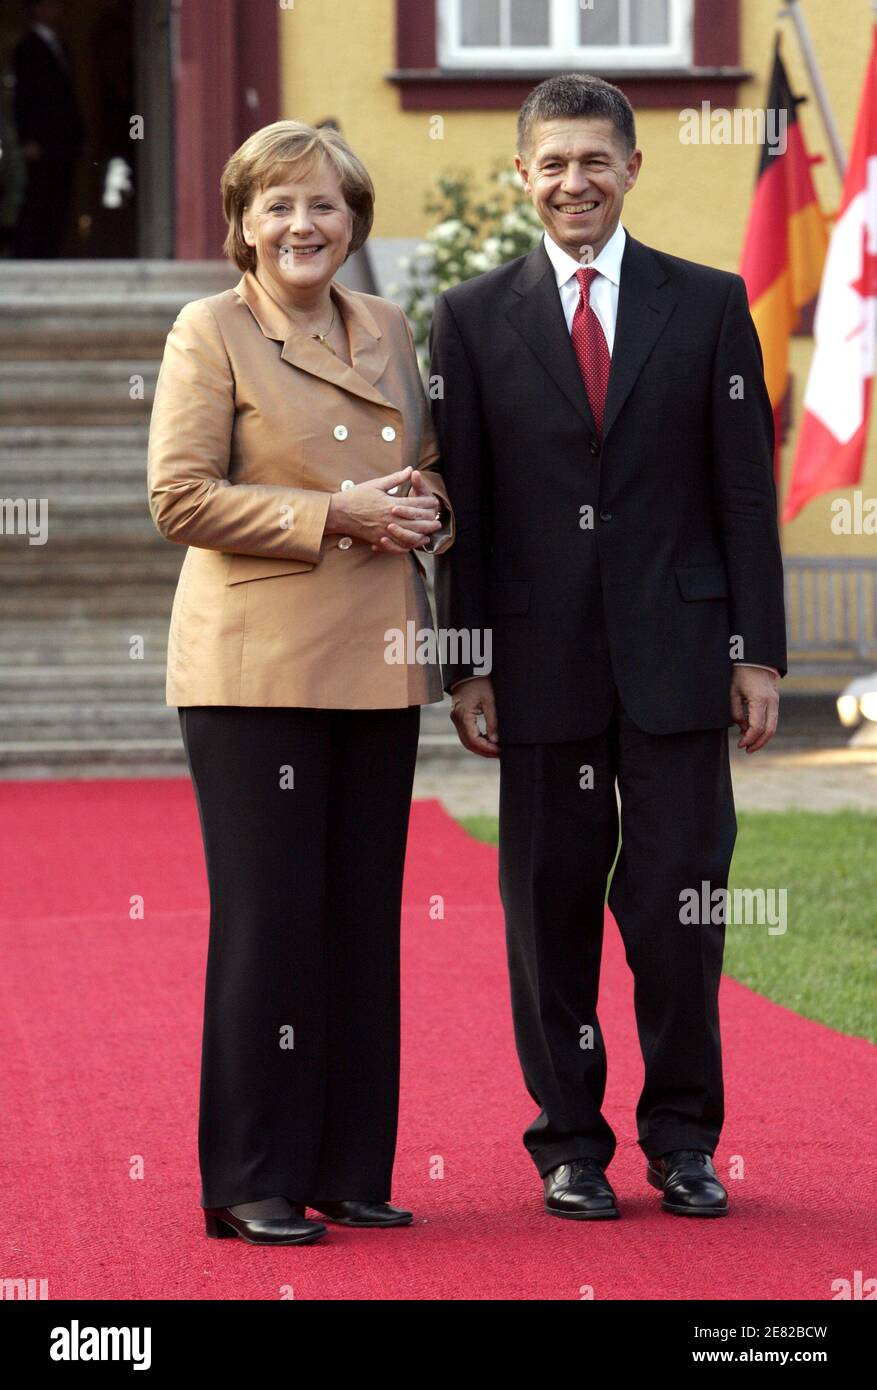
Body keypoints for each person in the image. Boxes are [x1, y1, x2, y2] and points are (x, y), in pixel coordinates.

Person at [431, 74, 786, 1221]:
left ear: (632, 169)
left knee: (681, 905)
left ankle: (684, 1139)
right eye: (552, 162)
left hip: (681, 658)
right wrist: (467, 658)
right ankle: (568, 1142)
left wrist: (758, 652)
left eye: (595, 160)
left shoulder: (711, 302)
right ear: (522, 176)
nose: (573, 180)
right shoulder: (472, 319)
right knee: (549, 908)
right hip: (536, 666)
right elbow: (466, 505)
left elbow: (743, 492)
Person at [147, 120, 454, 1246]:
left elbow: (425, 468)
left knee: (362, 922)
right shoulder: (209, 328)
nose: (301, 225)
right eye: (277, 206)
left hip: (378, 662)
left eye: (322, 205)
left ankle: (345, 1167)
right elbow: (178, 498)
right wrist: (335, 514)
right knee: (271, 922)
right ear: (241, 224)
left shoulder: (384, 321)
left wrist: (428, 508)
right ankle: (248, 1176)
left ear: (352, 221)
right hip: (254, 670)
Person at [12, 0, 84, 258]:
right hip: (40, 141)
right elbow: (23, 98)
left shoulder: (61, 46)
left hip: (63, 140)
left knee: (59, 199)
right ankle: (27, 253)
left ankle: (50, 251)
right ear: (37, 8)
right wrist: (27, 138)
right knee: (39, 197)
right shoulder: (26, 47)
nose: (58, 9)